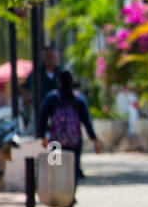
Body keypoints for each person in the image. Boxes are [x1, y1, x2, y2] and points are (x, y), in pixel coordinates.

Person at [37, 70, 102, 199]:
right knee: (73, 168)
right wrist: (94, 140)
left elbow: (43, 118)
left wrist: (43, 137)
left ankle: (55, 194)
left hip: (55, 140)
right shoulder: (79, 98)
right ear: (72, 82)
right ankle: (70, 197)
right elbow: (86, 121)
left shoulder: (52, 97)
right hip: (74, 140)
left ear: (59, 82)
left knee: (55, 166)